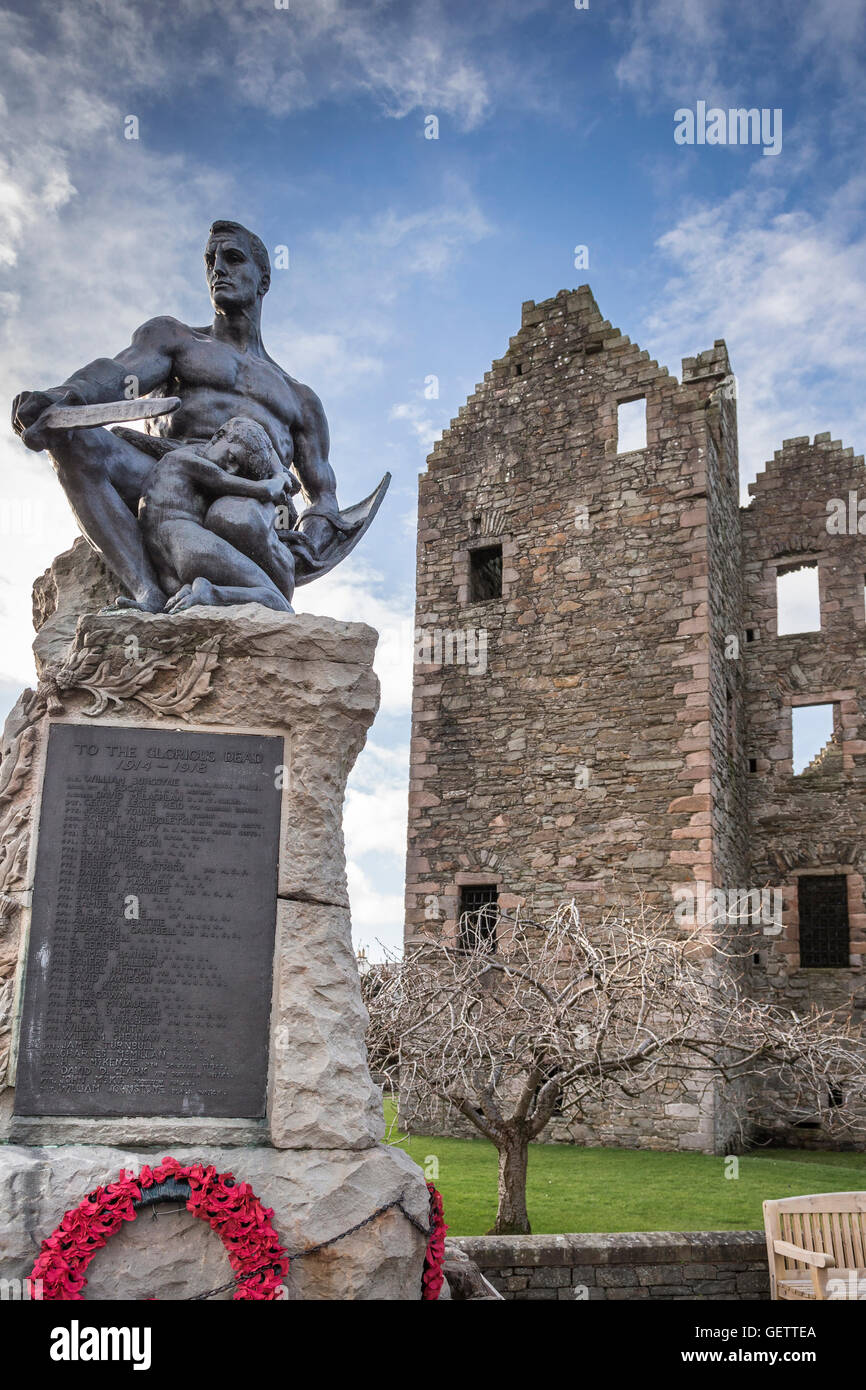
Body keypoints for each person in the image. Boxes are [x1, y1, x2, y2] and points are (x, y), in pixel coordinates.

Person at [11, 220, 341, 612]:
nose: (218, 269)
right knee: (72, 438)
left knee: (232, 516)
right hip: (165, 477)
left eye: (233, 259)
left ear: (263, 279)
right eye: (210, 260)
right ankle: (146, 590)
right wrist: (63, 396)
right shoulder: (174, 338)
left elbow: (322, 497)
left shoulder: (299, 398)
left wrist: (308, 543)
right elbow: (119, 375)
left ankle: (239, 588)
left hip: (247, 508)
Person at [138, 416, 296, 613]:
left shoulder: (178, 458)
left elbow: (267, 450)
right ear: (218, 436)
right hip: (192, 549)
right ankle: (212, 594)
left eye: (239, 470)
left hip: (166, 567)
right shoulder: (190, 462)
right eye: (232, 458)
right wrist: (280, 477)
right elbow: (267, 491)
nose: (231, 469)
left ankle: (202, 591)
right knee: (278, 603)